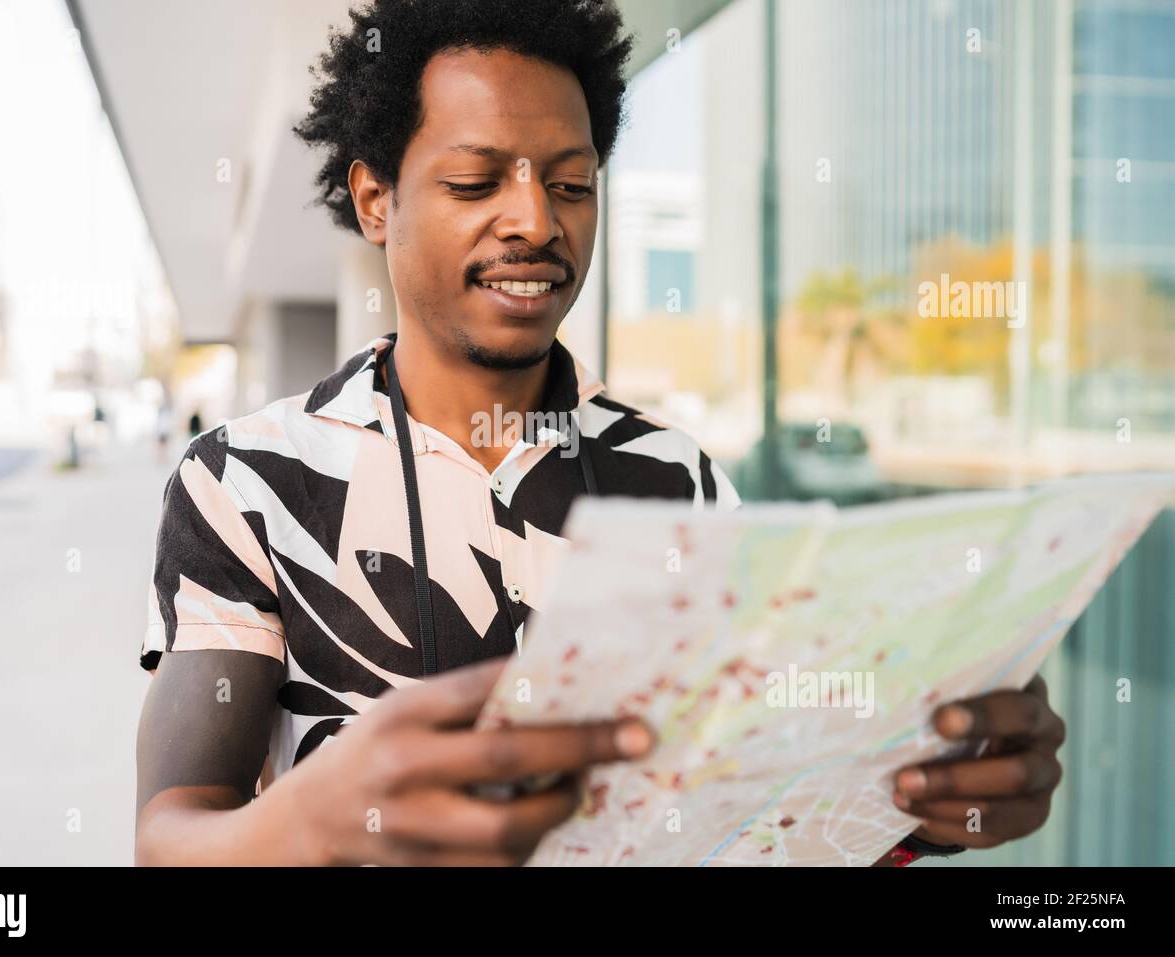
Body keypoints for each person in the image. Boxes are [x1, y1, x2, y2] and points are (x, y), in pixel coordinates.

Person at [134, 0, 1064, 867]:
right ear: (377, 201)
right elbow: (167, 835)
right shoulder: (247, 479)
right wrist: (310, 815)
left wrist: (933, 798)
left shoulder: (676, 476)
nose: (537, 221)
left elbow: (749, 801)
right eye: (475, 180)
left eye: (572, 185)